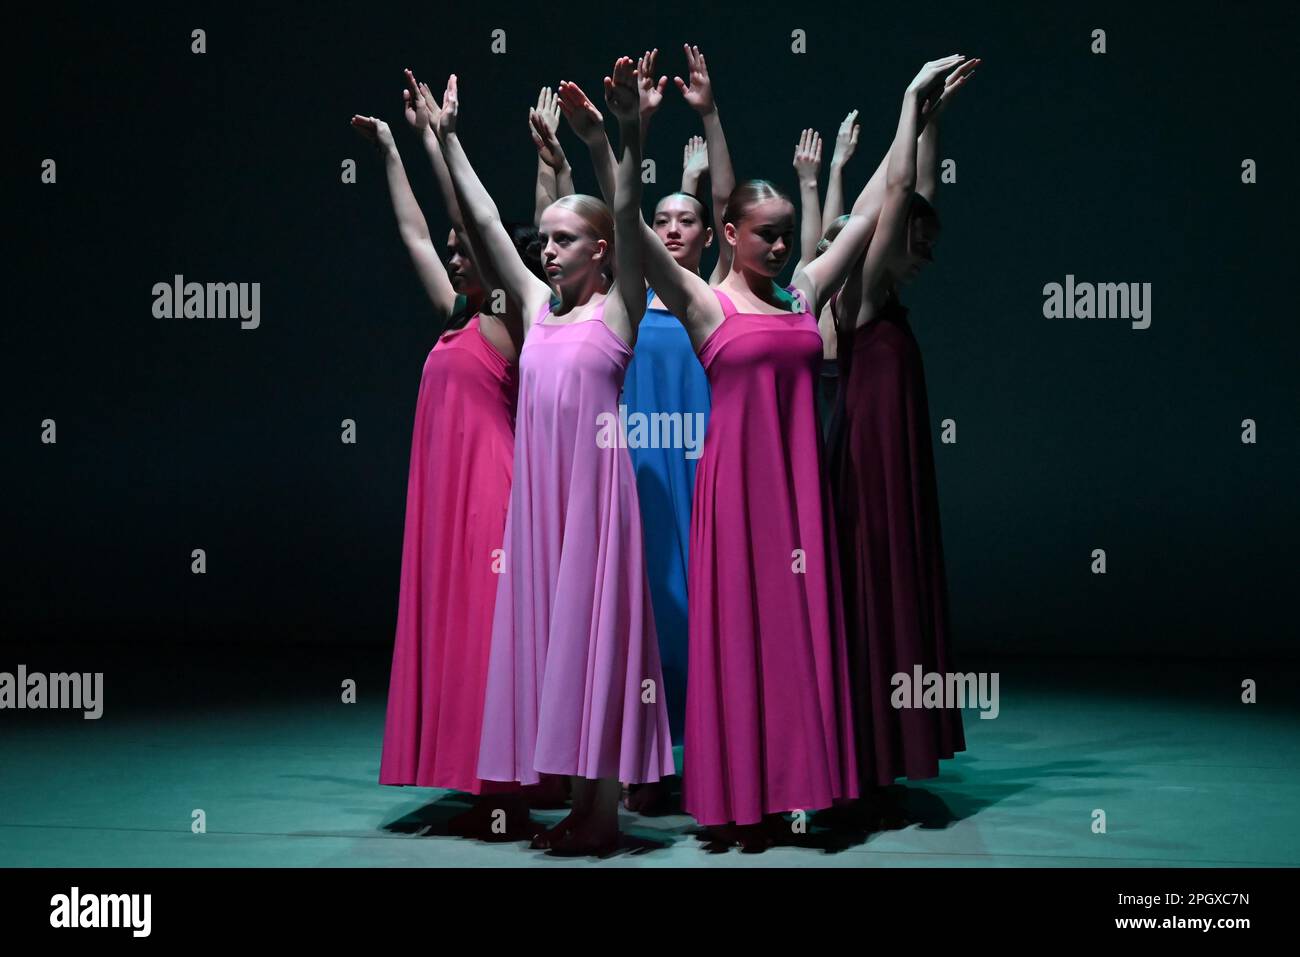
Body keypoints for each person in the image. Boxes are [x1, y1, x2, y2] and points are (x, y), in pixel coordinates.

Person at [433, 61, 674, 857]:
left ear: (602, 252)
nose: (547, 253)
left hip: (595, 509)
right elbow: (492, 224)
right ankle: (577, 806)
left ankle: (602, 817)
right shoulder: (536, 312)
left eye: (564, 241)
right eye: (548, 242)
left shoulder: (620, 310)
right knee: (555, 657)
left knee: (600, 654)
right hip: (540, 509)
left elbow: (631, 205)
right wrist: (448, 141)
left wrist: (621, 136)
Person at [831, 55, 980, 827]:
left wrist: (932, 125)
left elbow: (914, 194)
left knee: (897, 599)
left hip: (897, 468)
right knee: (873, 596)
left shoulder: (877, 291)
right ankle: (862, 756)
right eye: (912, 243)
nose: (921, 253)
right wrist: (909, 103)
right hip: (868, 473)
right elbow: (893, 201)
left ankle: (884, 757)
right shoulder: (857, 292)